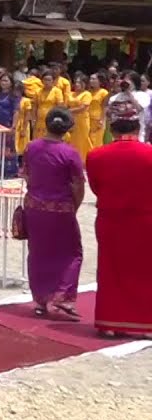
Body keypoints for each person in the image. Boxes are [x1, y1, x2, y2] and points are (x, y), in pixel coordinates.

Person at [85, 99, 151, 338]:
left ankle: (110, 322)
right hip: (145, 221)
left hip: (111, 220)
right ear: (137, 127)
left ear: (112, 129)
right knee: (144, 271)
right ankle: (144, 324)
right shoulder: (150, 154)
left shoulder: (96, 156)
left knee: (111, 271)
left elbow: (96, 187)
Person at [21, 107, 86, 321]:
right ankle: (62, 295)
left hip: (34, 208)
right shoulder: (70, 153)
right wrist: (73, 207)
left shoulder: (31, 147)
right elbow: (78, 186)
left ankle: (40, 300)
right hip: (61, 209)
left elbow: (27, 176)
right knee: (72, 252)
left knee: (38, 253)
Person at [66, 73, 93, 162]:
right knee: (71, 139)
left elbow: (83, 108)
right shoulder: (71, 94)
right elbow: (66, 105)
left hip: (82, 120)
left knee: (82, 140)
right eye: (76, 82)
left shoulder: (87, 94)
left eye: (80, 82)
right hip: (70, 120)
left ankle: (81, 160)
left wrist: (69, 111)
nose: (77, 84)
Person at [32, 71, 66, 141]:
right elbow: (35, 106)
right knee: (38, 139)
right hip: (39, 120)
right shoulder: (38, 91)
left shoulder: (57, 91)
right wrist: (33, 119)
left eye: (49, 80)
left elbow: (59, 106)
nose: (47, 82)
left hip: (51, 120)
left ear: (53, 81)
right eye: (45, 80)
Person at [87, 73, 109, 151]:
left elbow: (105, 107)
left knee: (96, 141)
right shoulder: (88, 92)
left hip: (98, 119)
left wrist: (102, 120)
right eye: (90, 79)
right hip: (87, 118)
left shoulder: (104, 92)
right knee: (88, 141)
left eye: (93, 79)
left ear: (100, 81)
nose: (91, 81)